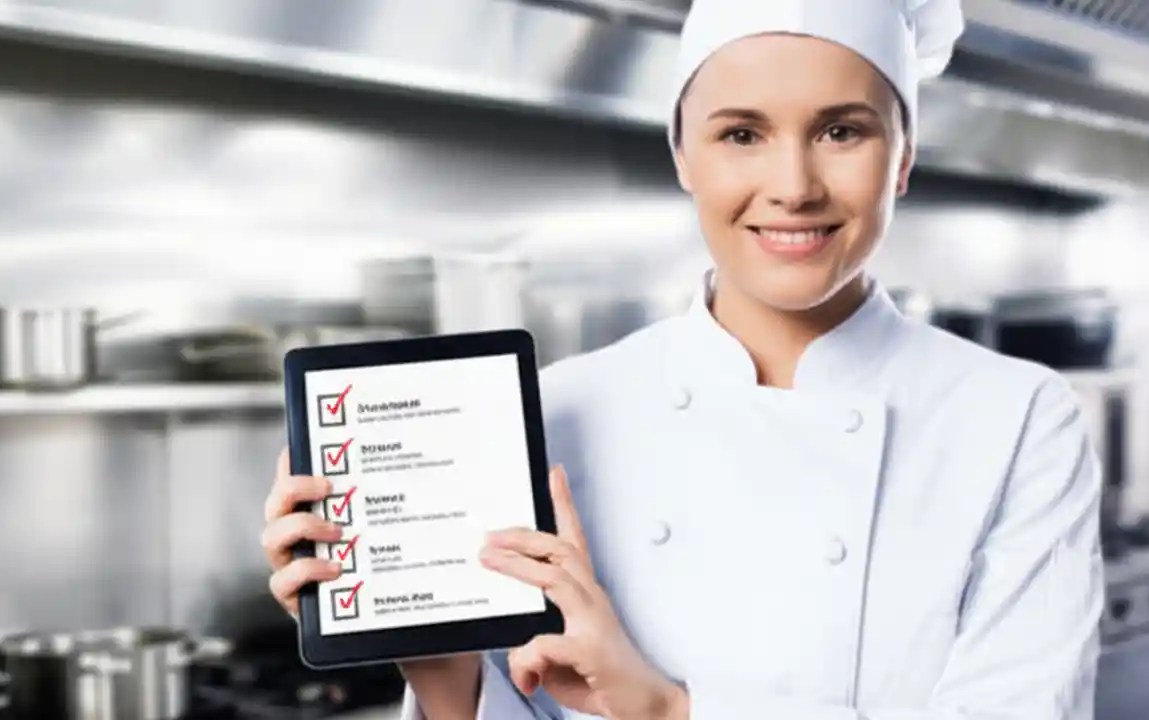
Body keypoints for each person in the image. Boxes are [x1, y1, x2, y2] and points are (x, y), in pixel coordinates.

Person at [260, 0, 1104, 717]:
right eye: (742, 134)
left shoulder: (1015, 417)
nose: (794, 184)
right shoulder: (557, 409)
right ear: (683, 157)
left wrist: (664, 707)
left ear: (904, 157)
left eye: (842, 131)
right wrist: (440, 667)